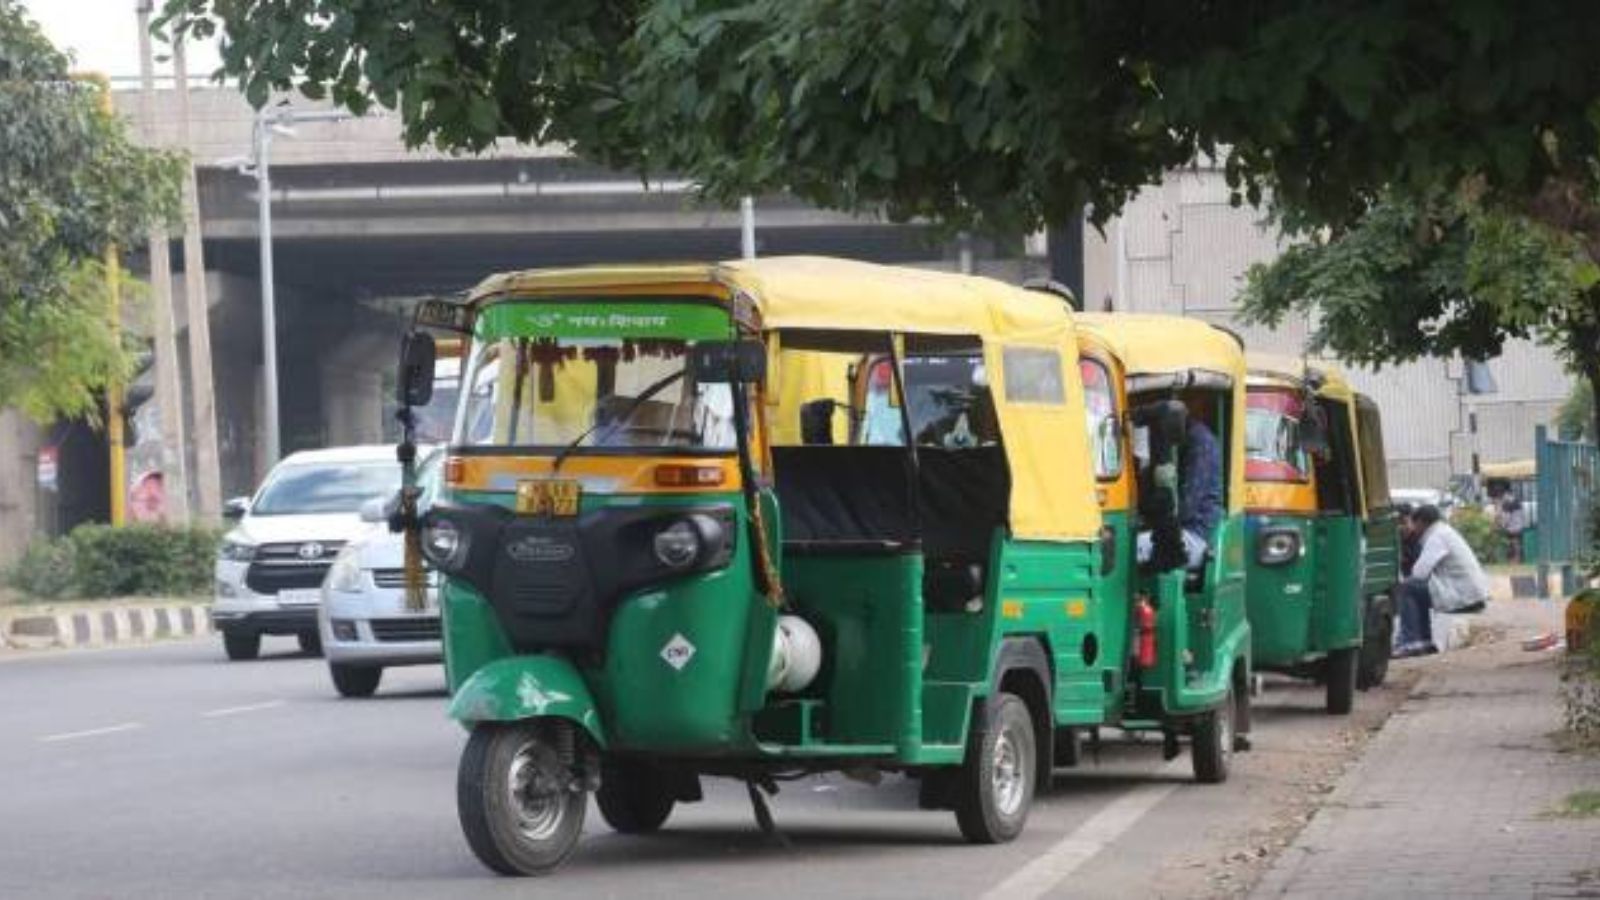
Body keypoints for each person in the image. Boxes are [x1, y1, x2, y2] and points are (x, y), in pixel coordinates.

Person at [1395, 504, 1491, 657]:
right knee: (1416, 588)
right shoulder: (1444, 531)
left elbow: (1419, 573)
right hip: (1467, 592)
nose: (1412, 528)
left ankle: (1411, 642)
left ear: (1420, 522)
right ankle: (1423, 642)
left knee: (1408, 587)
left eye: (1413, 523)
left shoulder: (1436, 537)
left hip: (1463, 595)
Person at [1137, 414, 1223, 570]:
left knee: (1128, 548)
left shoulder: (1199, 442)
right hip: (1177, 528)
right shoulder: (1183, 439)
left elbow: (1186, 508)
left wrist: (1148, 518)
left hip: (1193, 533)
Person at [1495, 494, 1528, 564]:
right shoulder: (1519, 507)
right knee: (1518, 543)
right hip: (1519, 528)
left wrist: (1502, 525)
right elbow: (1523, 518)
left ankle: (1513, 559)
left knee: (1512, 543)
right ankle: (1518, 559)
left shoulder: (1508, 507)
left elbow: (1506, 519)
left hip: (1511, 529)